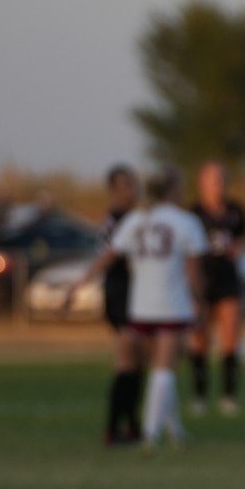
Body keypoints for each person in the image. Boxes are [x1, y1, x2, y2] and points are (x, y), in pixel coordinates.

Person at [64, 167, 207, 450]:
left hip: (141, 307)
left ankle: (175, 430)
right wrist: (199, 302)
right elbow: (193, 271)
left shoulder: (135, 220)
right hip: (171, 305)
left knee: (159, 367)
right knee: (164, 368)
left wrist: (78, 284)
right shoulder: (186, 221)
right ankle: (151, 434)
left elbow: (108, 256)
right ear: (172, 190)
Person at [189, 162, 245, 415]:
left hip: (227, 280)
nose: (218, 185)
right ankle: (200, 396)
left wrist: (238, 249)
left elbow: (243, 241)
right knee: (200, 340)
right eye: (213, 180)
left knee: (230, 339)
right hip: (202, 281)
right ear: (202, 183)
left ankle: (228, 396)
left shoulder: (237, 211)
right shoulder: (193, 213)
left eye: (221, 179)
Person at [98, 166, 145, 446]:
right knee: (127, 361)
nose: (132, 190)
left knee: (138, 364)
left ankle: (133, 424)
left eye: (134, 183)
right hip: (120, 296)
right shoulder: (114, 223)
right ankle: (112, 428)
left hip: (139, 297)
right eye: (126, 185)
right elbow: (109, 257)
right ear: (114, 190)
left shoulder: (136, 218)